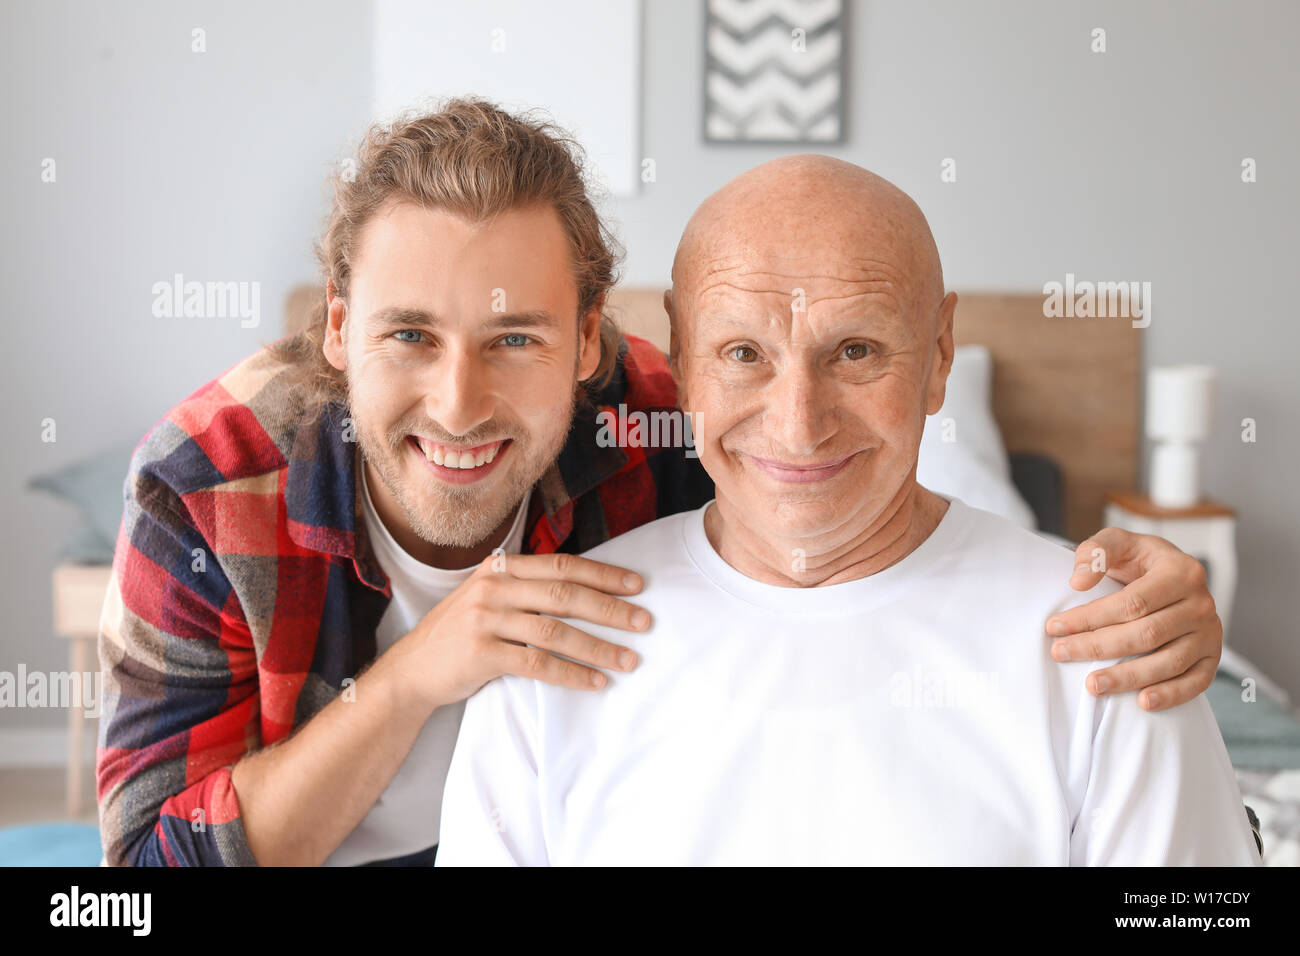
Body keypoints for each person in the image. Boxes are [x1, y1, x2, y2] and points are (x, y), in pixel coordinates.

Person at [98, 101, 1227, 867]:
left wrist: (1146, 578)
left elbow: (822, 511)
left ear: (597, 343)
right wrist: (411, 682)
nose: (458, 401)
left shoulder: (668, 420)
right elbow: (134, 887)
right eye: (408, 334)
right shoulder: (204, 491)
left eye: (858, 352)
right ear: (336, 327)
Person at [434, 155, 1259, 866]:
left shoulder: (1110, 641)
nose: (799, 425)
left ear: (938, 357)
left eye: (855, 351)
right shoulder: (549, 646)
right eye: (744, 354)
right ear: (682, 357)